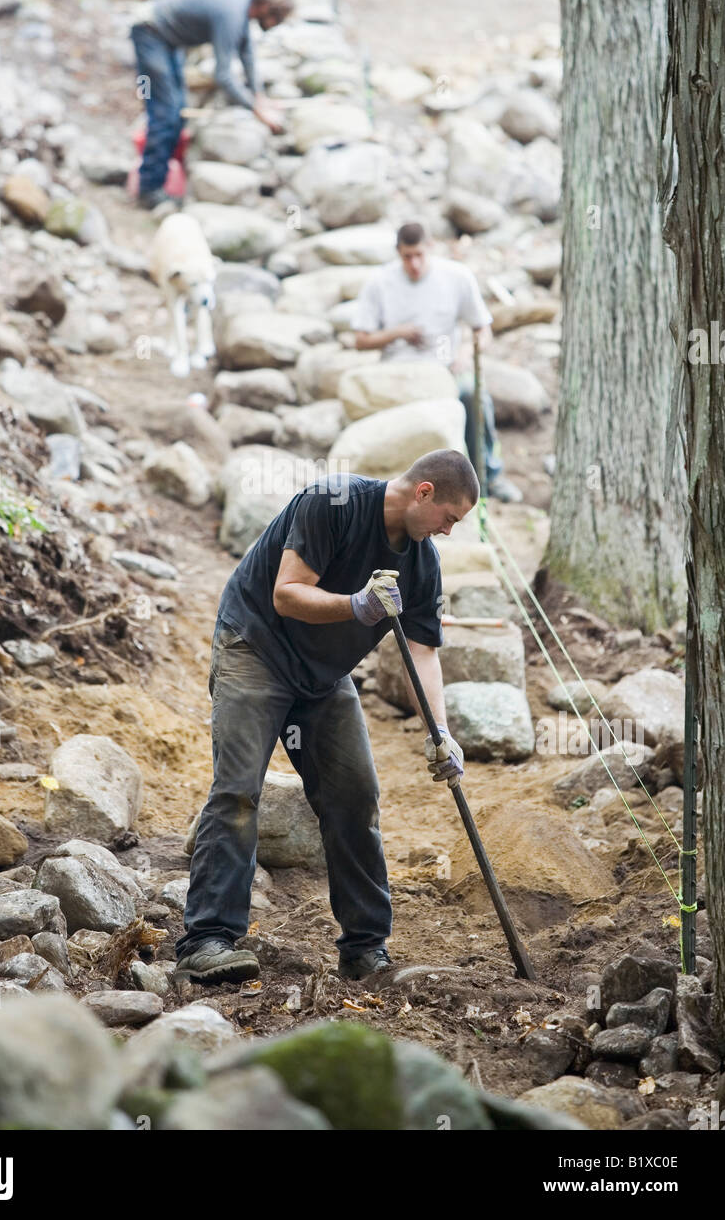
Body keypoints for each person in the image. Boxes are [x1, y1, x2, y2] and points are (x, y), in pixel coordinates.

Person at [175, 450, 476, 986]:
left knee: (355, 796)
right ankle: (208, 941)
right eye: (449, 518)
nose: (448, 531)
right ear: (424, 492)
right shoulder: (332, 502)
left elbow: (425, 650)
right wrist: (357, 606)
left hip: (321, 678)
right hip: (256, 647)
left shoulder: (422, 562)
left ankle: (364, 949)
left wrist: (441, 732)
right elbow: (287, 595)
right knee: (239, 792)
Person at [352, 222, 523, 504]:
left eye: (419, 255)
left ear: (430, 247)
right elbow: (360, 339)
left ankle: (490, 475)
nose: (414, 264)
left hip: (446, 366)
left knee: (473, 396)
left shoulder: (456, 276)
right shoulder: (380, 282)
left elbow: (483, 327)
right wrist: (398, 333)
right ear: (398, 253)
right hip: (398, 369)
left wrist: (466, 352)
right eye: (407, 257)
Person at [129, 0, 295, 209]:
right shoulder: (231, 13)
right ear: (266, 6)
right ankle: (149, 189)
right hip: (150, 31)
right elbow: (223, 76)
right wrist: (256, 109)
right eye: (276, 17)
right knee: (165, 112)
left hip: (167, 40)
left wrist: (260, 96)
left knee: (178, 111)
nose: (275, 23)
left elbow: (247, 54)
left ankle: (159, 181)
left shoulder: (241, 6)